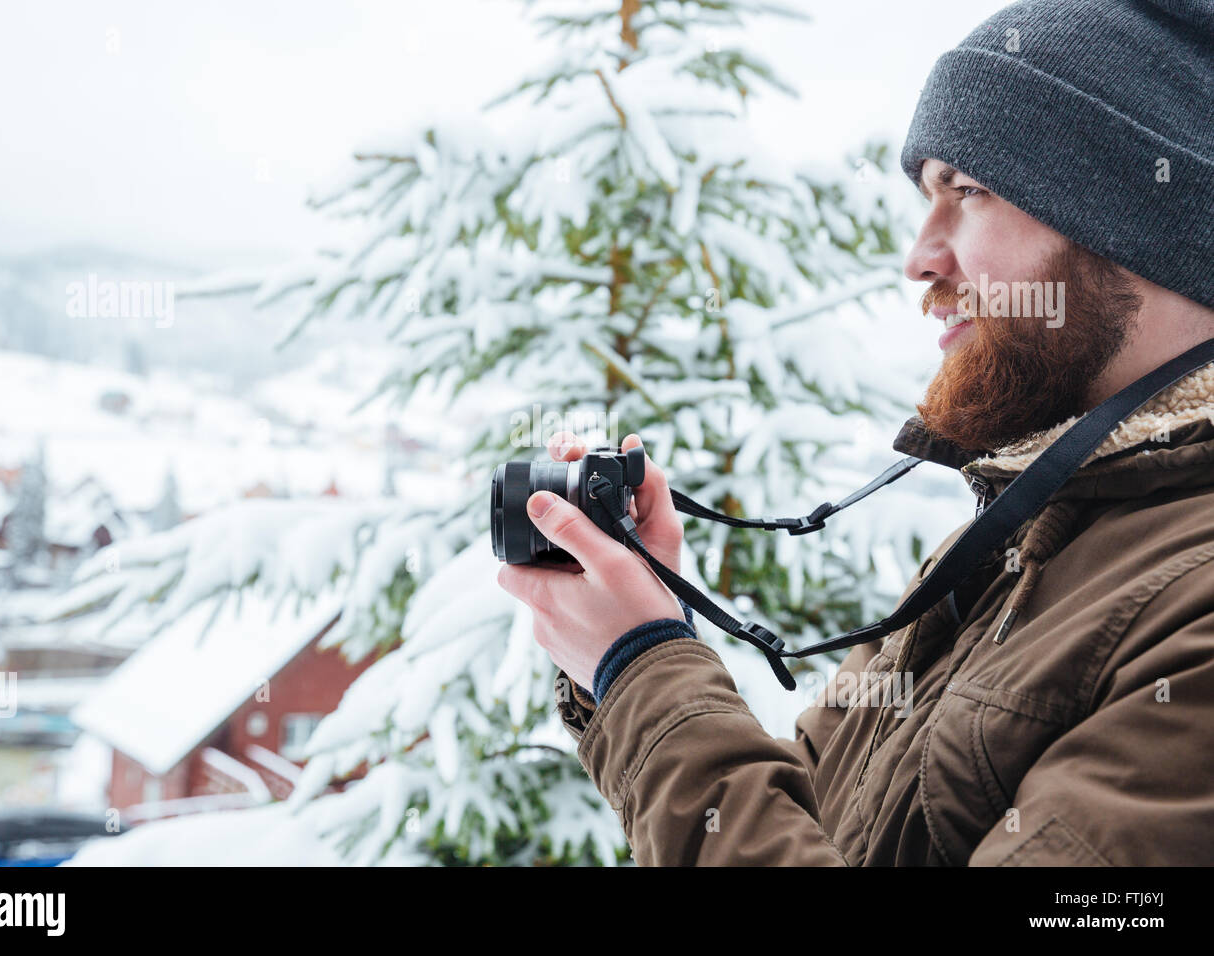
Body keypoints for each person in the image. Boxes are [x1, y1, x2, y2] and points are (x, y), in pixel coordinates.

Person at [495, 0, 1214, 865]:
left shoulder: (1190, 605)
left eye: (970, 191)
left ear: (1139, 223)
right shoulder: (1011, 549)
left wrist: (643, 669)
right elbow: (817, 821)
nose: (919, 255)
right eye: (925, 197)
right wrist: (632, 642)